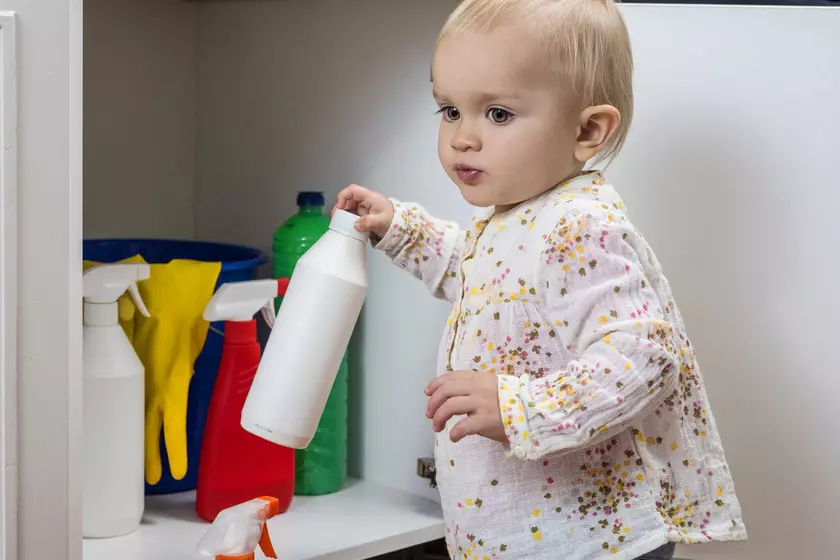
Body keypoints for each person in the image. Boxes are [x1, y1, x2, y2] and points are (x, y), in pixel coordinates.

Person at [335, 0, 746, 558]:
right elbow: (481, 277)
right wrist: (402, 229)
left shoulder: (577, 225)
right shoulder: (516, 216)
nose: (462, 137)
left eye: (498, 114)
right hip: (528, 531)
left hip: (590, 540)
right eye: (449, 110)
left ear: (587, 130)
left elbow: (645, 355)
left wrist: (521, 407)